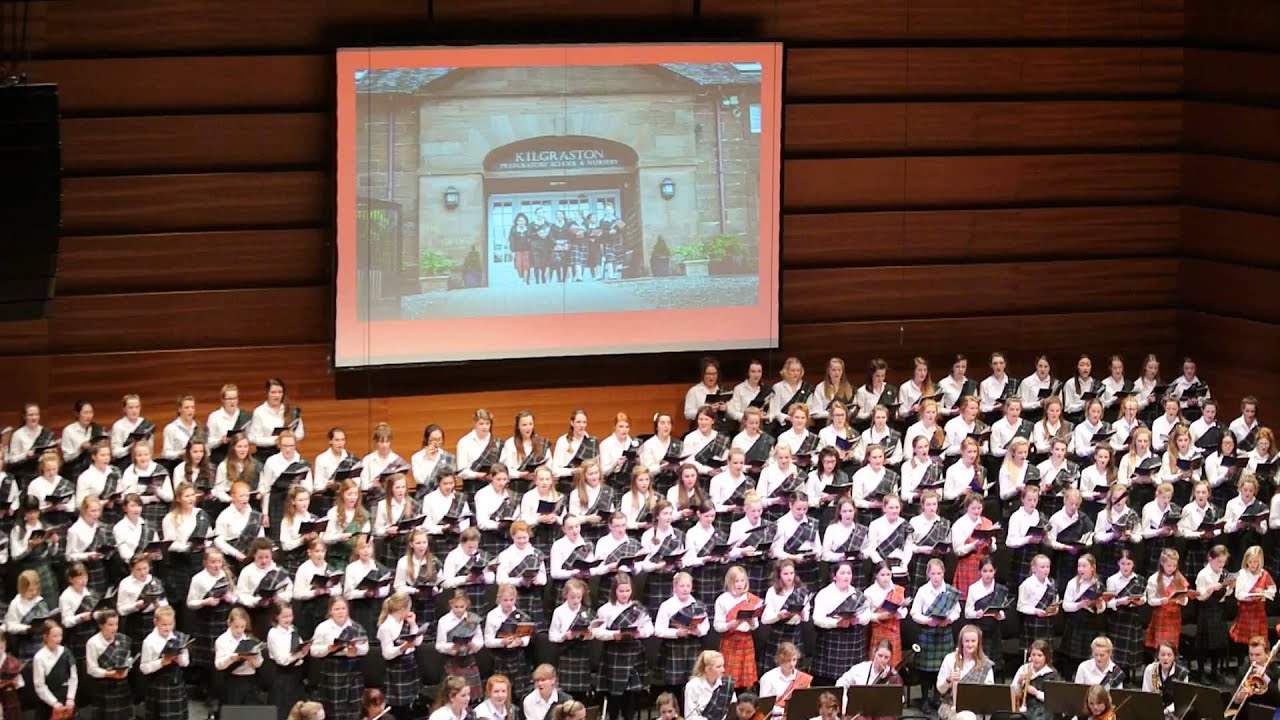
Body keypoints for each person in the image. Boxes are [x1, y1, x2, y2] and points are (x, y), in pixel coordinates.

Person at [592, 572, 652, 720]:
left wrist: (640, 633)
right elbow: (597, 632)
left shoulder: (638, 608)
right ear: (614, 591)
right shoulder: (605, 609)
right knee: (614, 696)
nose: (625, 594)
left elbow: (650, 628)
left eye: (627, 590)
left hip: (634, 654)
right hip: (614, 654)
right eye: (621, 591)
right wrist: (614, 635)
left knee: (631, 695)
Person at [310, 596, 370, 720]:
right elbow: (313, 651)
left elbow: (365, 648)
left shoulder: (356, 627)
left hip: (353, 671)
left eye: (343, 608)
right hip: (333, 671)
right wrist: (328, 648)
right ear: (330, 611)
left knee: (354, 709)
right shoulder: (323, 627)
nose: (340, 612)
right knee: (334, 711)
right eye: (336, 609)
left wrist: (356, 650)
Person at [140, 606, 191, 720]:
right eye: (164, 625)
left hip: (176, 682)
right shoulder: (149, 641)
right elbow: (144, 668)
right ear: (155, 622)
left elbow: (186, 662)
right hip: (159, 685)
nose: (168, 628)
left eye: (170, 624)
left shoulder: (180, 637)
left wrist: (179, 659)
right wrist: (162, 662)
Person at [378, 593, 423, 720]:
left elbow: (417, 642)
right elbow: (387, 654)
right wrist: (402, 647)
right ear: (403, 608)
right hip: (396, 668)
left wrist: (413, 624)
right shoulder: (386, 627)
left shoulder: (406, 622)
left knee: (409, 705)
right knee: (397, 708)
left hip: (410, 665)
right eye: (409, 608)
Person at [935, 624, 993, 720]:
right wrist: (949, 680)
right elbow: (940, 689)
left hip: (976, 707)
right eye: (967, 641)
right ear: (961, 642)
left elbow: (989, 692)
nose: (970, 645)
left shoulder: (985, 664)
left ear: (978, 642)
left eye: (973, 641)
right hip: (950, 705)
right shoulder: (950, 659)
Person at [835, 639, 901, 720]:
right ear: (874, 653)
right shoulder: (860, 668)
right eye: (880, 655)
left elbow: (898, 700)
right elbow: (841, 683)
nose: (882, 660)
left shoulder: (892, 676)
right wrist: (844, 704)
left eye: (886, 657)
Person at [84, 609, 131, 720]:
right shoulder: (93, 643)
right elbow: (91, 669)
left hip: (123, 686)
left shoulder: (124, 639)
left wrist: (126, 669)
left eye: (116, 624)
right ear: (101, 625)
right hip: (104, 688)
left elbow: (128, 660)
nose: (114, 628)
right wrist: (110, 674)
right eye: (110, 625)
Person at [267, 602, 310, 720]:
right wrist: (299, 654)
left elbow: (299, 650)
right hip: (282, 677)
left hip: (297, 676)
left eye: (290, 616)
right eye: (284, 617)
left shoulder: (293, 631)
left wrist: (304, 651)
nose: (288, 619)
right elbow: (282, 660)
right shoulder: (274, 633)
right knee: (284, 712)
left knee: (299, 711)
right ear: (277, 617)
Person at [214, 607, 265, 707]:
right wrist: (231, 658)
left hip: (250, 680)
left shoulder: (250, 639)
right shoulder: (222, 640)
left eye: (242, 627)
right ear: (229, 623)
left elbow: (259, 663)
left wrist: (251, 659)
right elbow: (218, 665)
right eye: (236, 627)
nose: (239, 630)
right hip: (233, 681)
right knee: (233, 711)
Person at [1009, 639, 1059, 720]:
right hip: (1026, 708)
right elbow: (1013, 693)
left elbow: (1053, 700)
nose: (1036, 658)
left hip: (1044, 710)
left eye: (1039, 655)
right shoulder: (1024, 668)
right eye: (1033, 655)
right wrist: (1019, 682)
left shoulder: (1052, 674)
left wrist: (1036, 693)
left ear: (1046, 657)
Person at [1141, 641, 1188, 719]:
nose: (1166, 658)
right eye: (1162, 655)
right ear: (1158, 656)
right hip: (1154, 710)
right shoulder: (1150, 670)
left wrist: (1166, 711)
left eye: (1169, 655)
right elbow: (1146, 695)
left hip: (1173, 712)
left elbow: (1181, 702)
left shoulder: (1182, 674)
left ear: (1174, 657)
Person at [685, 650, 736, 720]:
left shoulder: (728, 684)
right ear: (707, 669)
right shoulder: (693, 686)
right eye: (719, 667)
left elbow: (732, 710)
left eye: (723, 666)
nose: (723, 670)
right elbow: (690, 716)